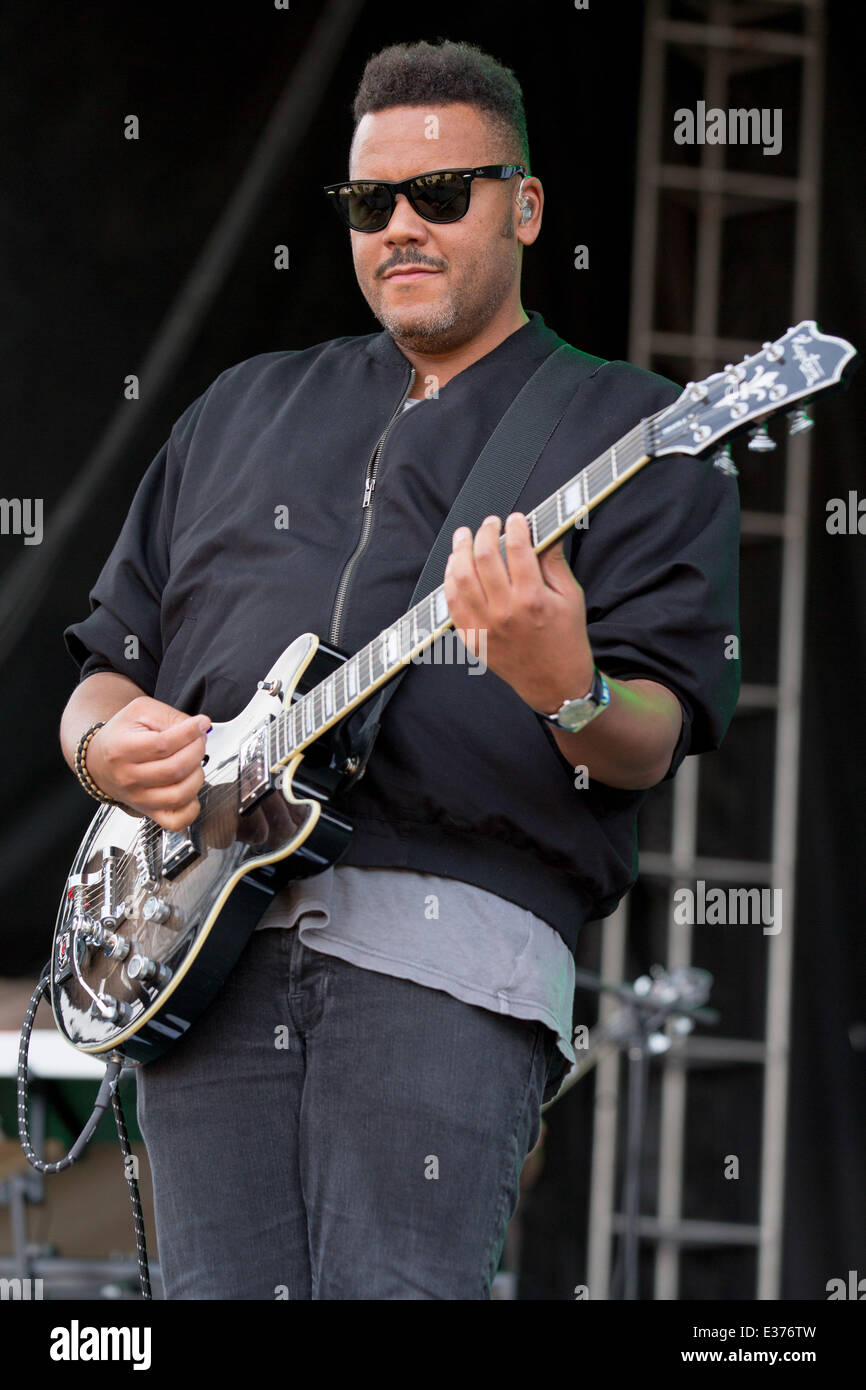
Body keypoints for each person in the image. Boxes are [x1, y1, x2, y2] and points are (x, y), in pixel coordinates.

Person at [59, 39, 739, 1299]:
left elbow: (656, 729)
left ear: (525, 207)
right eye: (372, 203)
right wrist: (106, 748)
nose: (402, 228)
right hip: (199, 956)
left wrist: (566, 685)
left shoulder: (630, 433)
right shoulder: (239, 406)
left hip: (445, 965)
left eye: (444, 193)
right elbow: (105, 672)